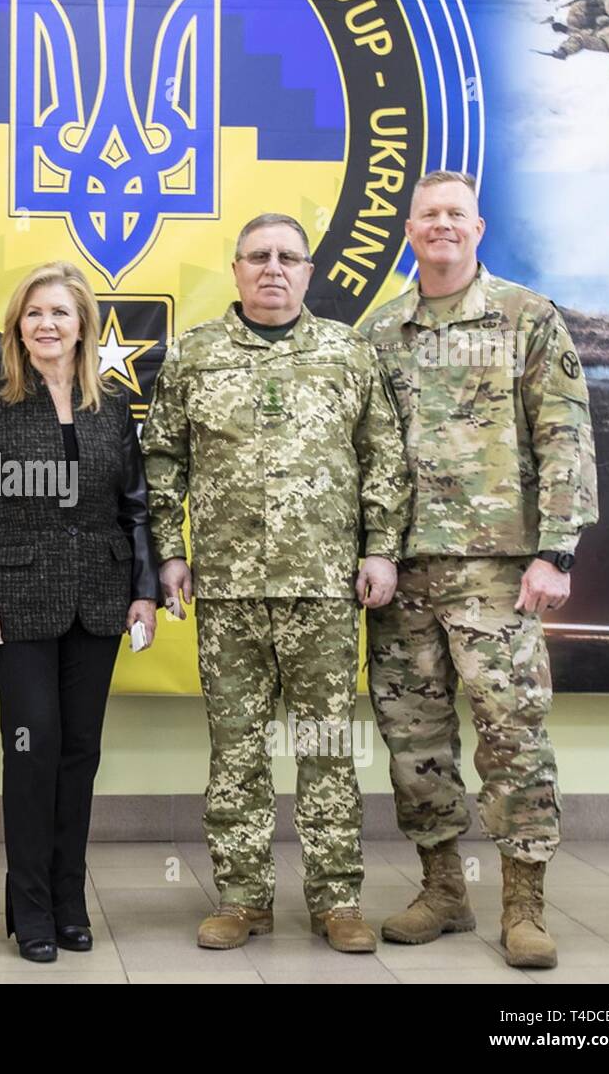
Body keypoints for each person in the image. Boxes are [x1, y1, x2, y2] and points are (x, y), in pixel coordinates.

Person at [141, 214, 410, 954]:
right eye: (258, 256)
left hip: (324, 588)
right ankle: (242, 898)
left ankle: (337, 899)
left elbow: (383, 457)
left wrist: (381, 550)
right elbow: (163, 462)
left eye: (288, 257)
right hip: (227, 591)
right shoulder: (194, 357)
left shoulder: (346, 353)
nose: (273, 269)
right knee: (236, 749)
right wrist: (169, 552)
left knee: (326, 744)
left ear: (309, 271)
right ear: (235, 269)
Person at [359, 171, 599, 970]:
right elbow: (364, 455)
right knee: (413, 741)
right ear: (409, 230)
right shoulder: (380, 331)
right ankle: (443, 891)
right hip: (403, 574)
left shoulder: (529, 317)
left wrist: (555, 551)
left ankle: (524, 905)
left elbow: (564, 434)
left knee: (512, 736)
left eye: (455, 213)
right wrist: (372, 551)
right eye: (428, 214)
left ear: (478, 226)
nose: (442, 225)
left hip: (502, 572)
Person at [0, 262, 159, 963]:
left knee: (79, 754)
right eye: (34, 313)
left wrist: (143, 589)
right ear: (19, 327)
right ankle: (30, 907)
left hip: (98, 603)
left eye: (60, 314)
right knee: (32, 750)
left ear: (82, 328)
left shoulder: (114, 410)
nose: (47, 324)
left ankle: (70, 901)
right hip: (18, 604)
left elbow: (136, 509)